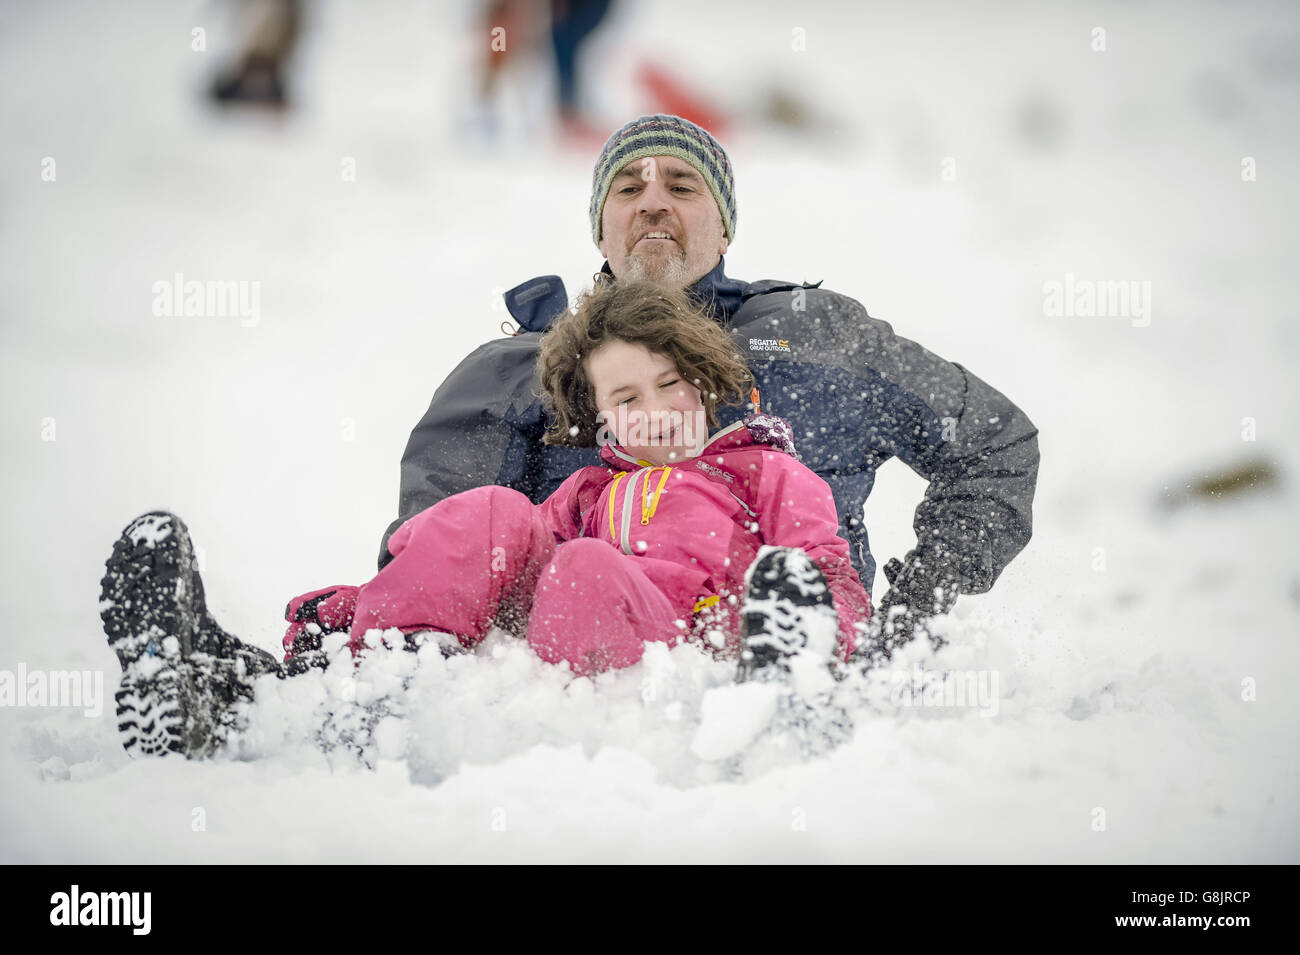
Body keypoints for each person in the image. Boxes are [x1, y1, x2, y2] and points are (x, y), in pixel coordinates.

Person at [372, 114, 1039, 671]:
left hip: (788, 676)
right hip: (575, 688)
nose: (654, 201)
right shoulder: (516, 369)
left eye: (683, 185)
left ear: (725, 228)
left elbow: (993, 441)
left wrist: (914, 609)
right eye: (628, 188)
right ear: (600, 229)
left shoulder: (819, 336)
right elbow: (436, 551)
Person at [100, 281, 867, 758]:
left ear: (702, 384)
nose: (657, 409)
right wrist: (347, 611)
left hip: (679, 667)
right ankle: (379, 673)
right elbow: (481, 554)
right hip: (548, 652)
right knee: (499, 514)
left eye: (669, 384)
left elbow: (824, 569)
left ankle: (783, 694)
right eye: (628, 399)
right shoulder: (588, 496)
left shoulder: (764, 472)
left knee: (584, 569)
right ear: (598, 420)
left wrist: (807, 634)